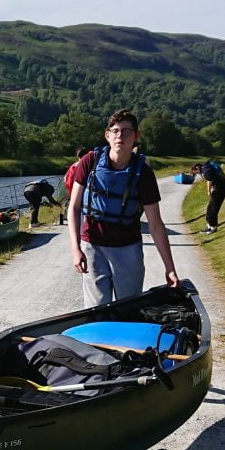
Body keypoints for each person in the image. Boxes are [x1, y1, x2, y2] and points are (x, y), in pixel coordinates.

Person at [64, 109, 180, 307]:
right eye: (116, 131)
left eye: (127, 132)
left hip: (128, 248)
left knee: (128, 310)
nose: (120, 136)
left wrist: (169, 268)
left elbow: (155, 224)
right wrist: (76, 249)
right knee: (96, 310)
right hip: (93, 246)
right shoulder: (89, 161)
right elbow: (74, 208)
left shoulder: (143, 173)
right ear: (107, 135)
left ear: (136, 136)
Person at [192, 159, 225, 233]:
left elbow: (209, 180)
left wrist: (209, 191)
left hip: (219, 189)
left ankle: (213, 228)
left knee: (212, 209)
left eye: (196, 173)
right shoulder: (208, 167)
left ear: (196, 168)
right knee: (211, 209)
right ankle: (210, 226)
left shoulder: (205, 169)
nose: (197, 174)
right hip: (221, 188)